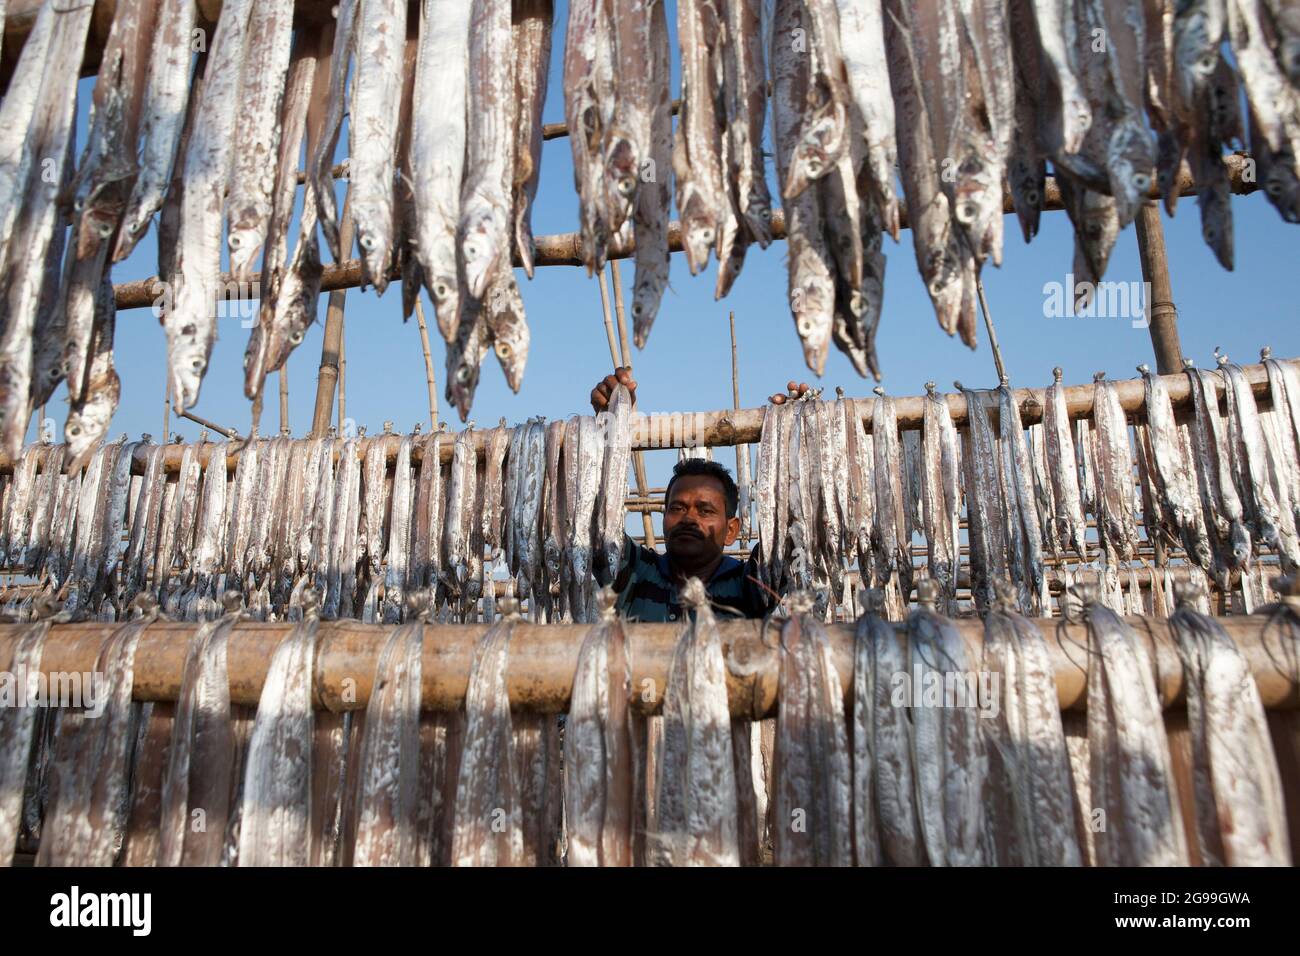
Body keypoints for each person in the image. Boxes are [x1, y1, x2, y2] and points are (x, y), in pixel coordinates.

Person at [588, 367, 812, 622]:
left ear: (731, 530)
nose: (689, 518)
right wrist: (610, 427)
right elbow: (593, 515)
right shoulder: (634, 572)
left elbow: (795, 525)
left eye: (705, 510)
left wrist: (797, 436)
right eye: (677, 508)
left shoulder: (750, 584)